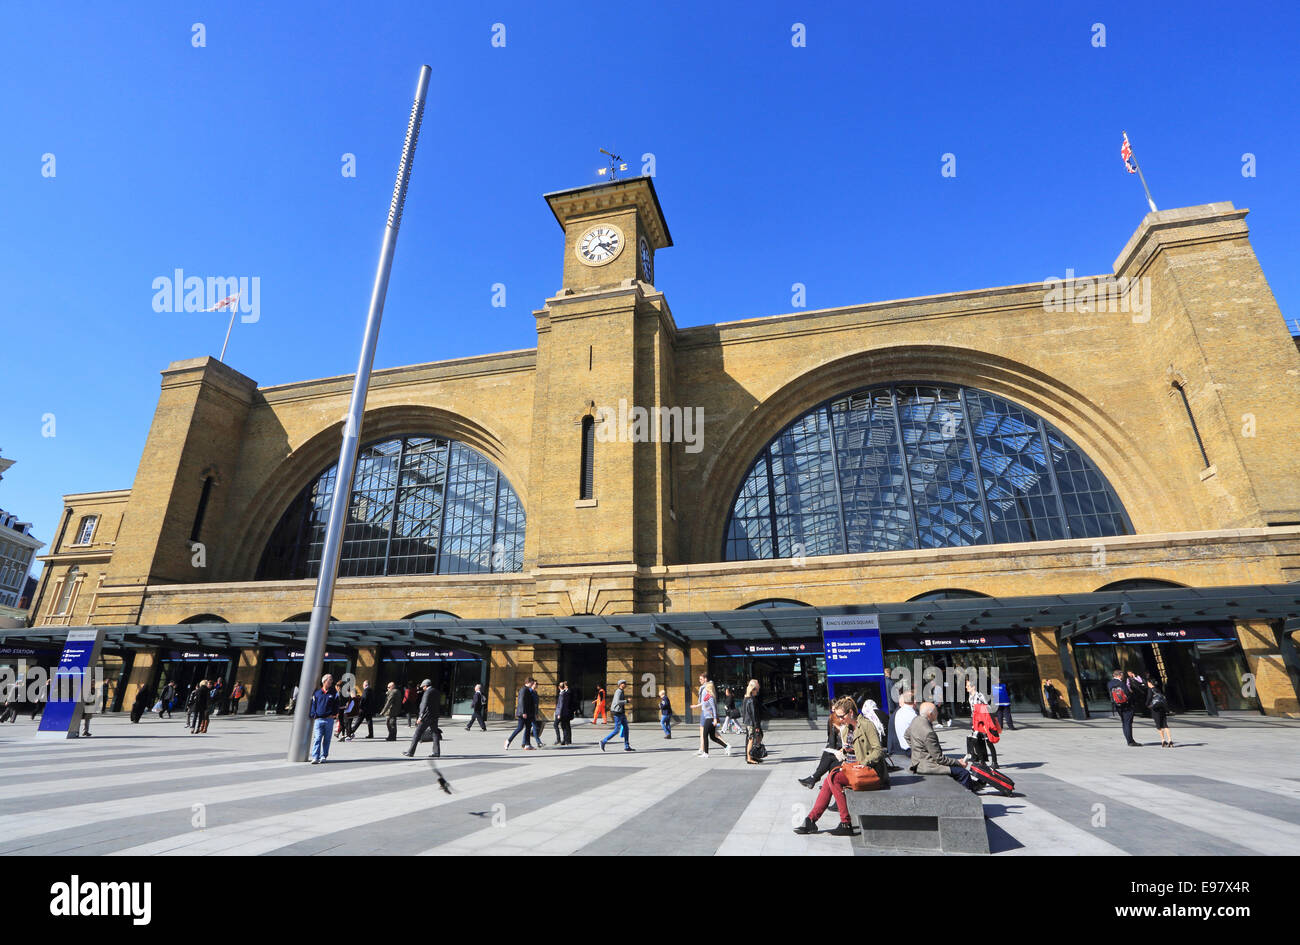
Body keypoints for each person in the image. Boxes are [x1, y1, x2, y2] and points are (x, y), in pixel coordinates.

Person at [795, 696, 888, 836]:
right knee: (829, 779)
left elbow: (878, 751)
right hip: (852, 769)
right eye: (837, 716)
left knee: (833, 778)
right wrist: (842, 752)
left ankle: (845, 823)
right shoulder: (846, 729)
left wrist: (863, 763)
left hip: (868, 772)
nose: (839, 719)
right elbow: (850, 749)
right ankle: (811, 820)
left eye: (841, 716)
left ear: (850, 712)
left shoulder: (866, 725)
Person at [906, 701, 978, 792]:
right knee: (963, 773)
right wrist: (958, 762)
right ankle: (967, 799)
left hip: (917, 762)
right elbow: (940, 759)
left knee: (957, 770)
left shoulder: (916, 720)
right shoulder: (929, 733)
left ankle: (968, 787)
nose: (938, 713)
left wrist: (917, 750)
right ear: (930, 714)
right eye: (936, 711)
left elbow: (906, 735)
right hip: (927, 766)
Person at [689, 673, 730, 757]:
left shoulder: (710, 696)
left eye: (701, 679)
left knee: (705, 734)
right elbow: (703, 704)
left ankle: (705, 753)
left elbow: (714, 708)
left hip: (710, 717)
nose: (704, 688)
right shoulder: (707, 696)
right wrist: (695, 706)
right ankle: (726, 746)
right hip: (708, 716)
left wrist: (715, 719)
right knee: (712, 737)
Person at [403, 678, 441, 758]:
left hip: (426, 717)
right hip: (434, 716)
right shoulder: (436, 692)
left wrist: (420, 717)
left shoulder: (427, 692)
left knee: (417, 733)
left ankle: (410, 752)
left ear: (426, 686)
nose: (422, 688)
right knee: (435, 734)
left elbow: (424, 705)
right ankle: (436, 752)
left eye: (423, 686)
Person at [308, 674, 340, 764]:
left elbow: (337, 704)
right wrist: (313, 715)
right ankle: (315, 757)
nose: (331, 681)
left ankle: (323, 756)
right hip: (318, 720)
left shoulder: (334, 693)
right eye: (330, 679)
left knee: (327, 739)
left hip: (329, 720)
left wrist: (334, 714)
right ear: (324, 681)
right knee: (317, 738)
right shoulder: (317, 693)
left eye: (331, 680)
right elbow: (313, 705)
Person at [1108, 669, 1140, 746]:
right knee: (1128, 723)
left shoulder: (1109, 683)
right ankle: (1130, 741)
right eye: (1122, 675)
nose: (1123, 676)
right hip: (1127, 706)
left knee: (1124, 722)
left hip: (1118, 706)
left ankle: (1129, 740)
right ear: (1120, 675)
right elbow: (1127, 694)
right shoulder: (1121, 683)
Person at [600, 679, 634, 752]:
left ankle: (627, 746)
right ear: (620, 684)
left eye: (625, 683)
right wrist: (627, 701)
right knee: (616, 730)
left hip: (621, 713)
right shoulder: (618, 691)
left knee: (626, 729)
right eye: (624, 683)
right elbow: (617, 702)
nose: (625, 684)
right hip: (617, 713)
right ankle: (603, 741)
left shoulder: (621, 691)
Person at [505, 678, 537, 750]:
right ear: (528, 682)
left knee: (528, 728)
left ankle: (527, 745)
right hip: (523, 713)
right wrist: (523, 712)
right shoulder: (524, 690)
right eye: (532, 683)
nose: (532, 684)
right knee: (520, 728)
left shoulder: (527, 690)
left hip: (527, 713)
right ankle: (508, 740)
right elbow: (521, 701)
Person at [741, 679, 763, 764]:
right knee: (751, 739)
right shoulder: (751, 700)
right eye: (756, 689)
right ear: (753, 690)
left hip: (749, 722)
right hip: (751, 723)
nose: (757, 690)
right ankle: (749, 758)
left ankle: (753, 756)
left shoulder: (747, 698)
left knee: (755, 737)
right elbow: (753, 714)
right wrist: (756, 725)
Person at [891, 688, 918, 758]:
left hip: (904, 748)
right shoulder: (911, 714)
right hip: (912, 750)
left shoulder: (899, 712)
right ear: (914, 701)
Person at [1148, 678, 1174, 747]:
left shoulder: (1150, 690)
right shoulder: (1158, 689)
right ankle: (1170, 740)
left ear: (1150, 683)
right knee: (1165, 724)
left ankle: (1163, 741)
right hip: (1162, 709)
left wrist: (1147, 705)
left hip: (1155, 710)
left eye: (1148, 683)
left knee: (1159, 726)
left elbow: (1148, 699)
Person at [554, 681, 574, 745]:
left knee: (565, 726)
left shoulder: (567, 693)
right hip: (564, 712)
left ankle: (565, 740)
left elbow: (563, 704)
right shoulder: (564, 693)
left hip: (565, 712)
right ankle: (565, 740)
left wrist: (559, 713)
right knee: (565, 726)